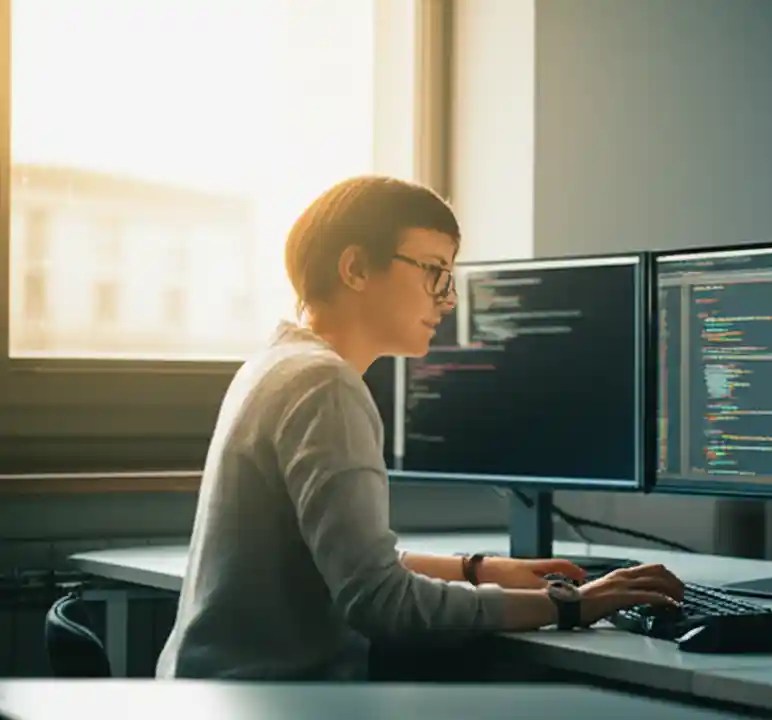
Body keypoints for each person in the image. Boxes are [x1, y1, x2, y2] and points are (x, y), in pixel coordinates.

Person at [156, 176, 685, 680]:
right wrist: (570, 604)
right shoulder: (324, 385)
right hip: (269, 702)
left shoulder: (276, 364)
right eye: (433, 271)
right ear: (355, 268)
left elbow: (349, 562)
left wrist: (477, 570)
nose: (447, 298)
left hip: (221, 688)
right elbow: (380, 600)